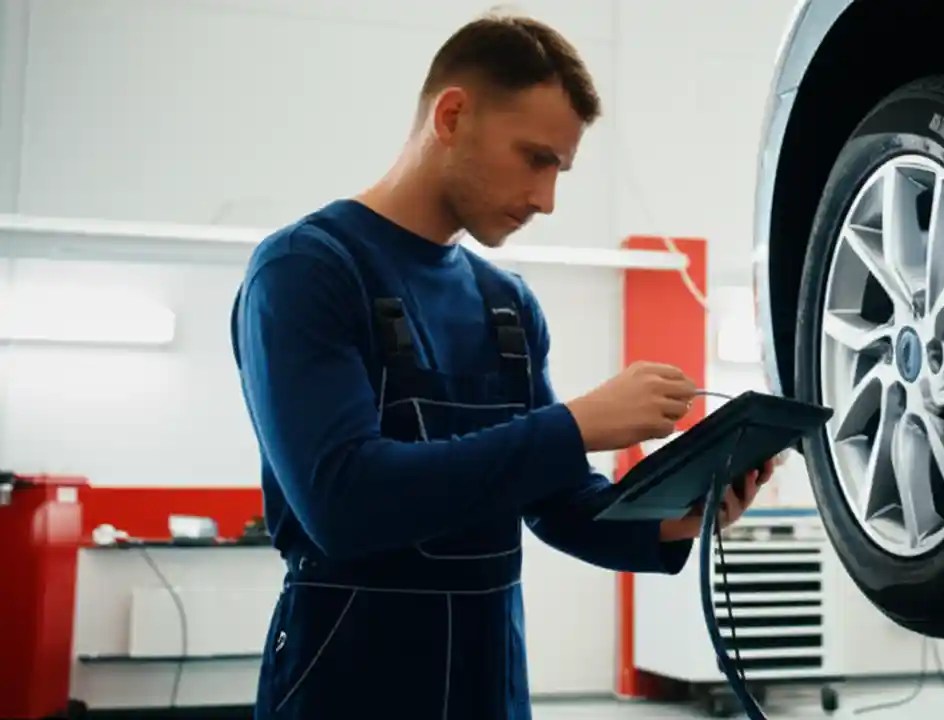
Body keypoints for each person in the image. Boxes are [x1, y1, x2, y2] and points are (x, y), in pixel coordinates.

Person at [230, 12, 775, 720]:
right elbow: (344, 502)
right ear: (451, 116)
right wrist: (574, 425)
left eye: (561, 169)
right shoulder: (308, 270)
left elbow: (558, 508)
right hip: (347, 675)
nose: (547, 199)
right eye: (535, 158)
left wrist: (677, 513)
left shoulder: (506, 305)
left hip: (492, 678)